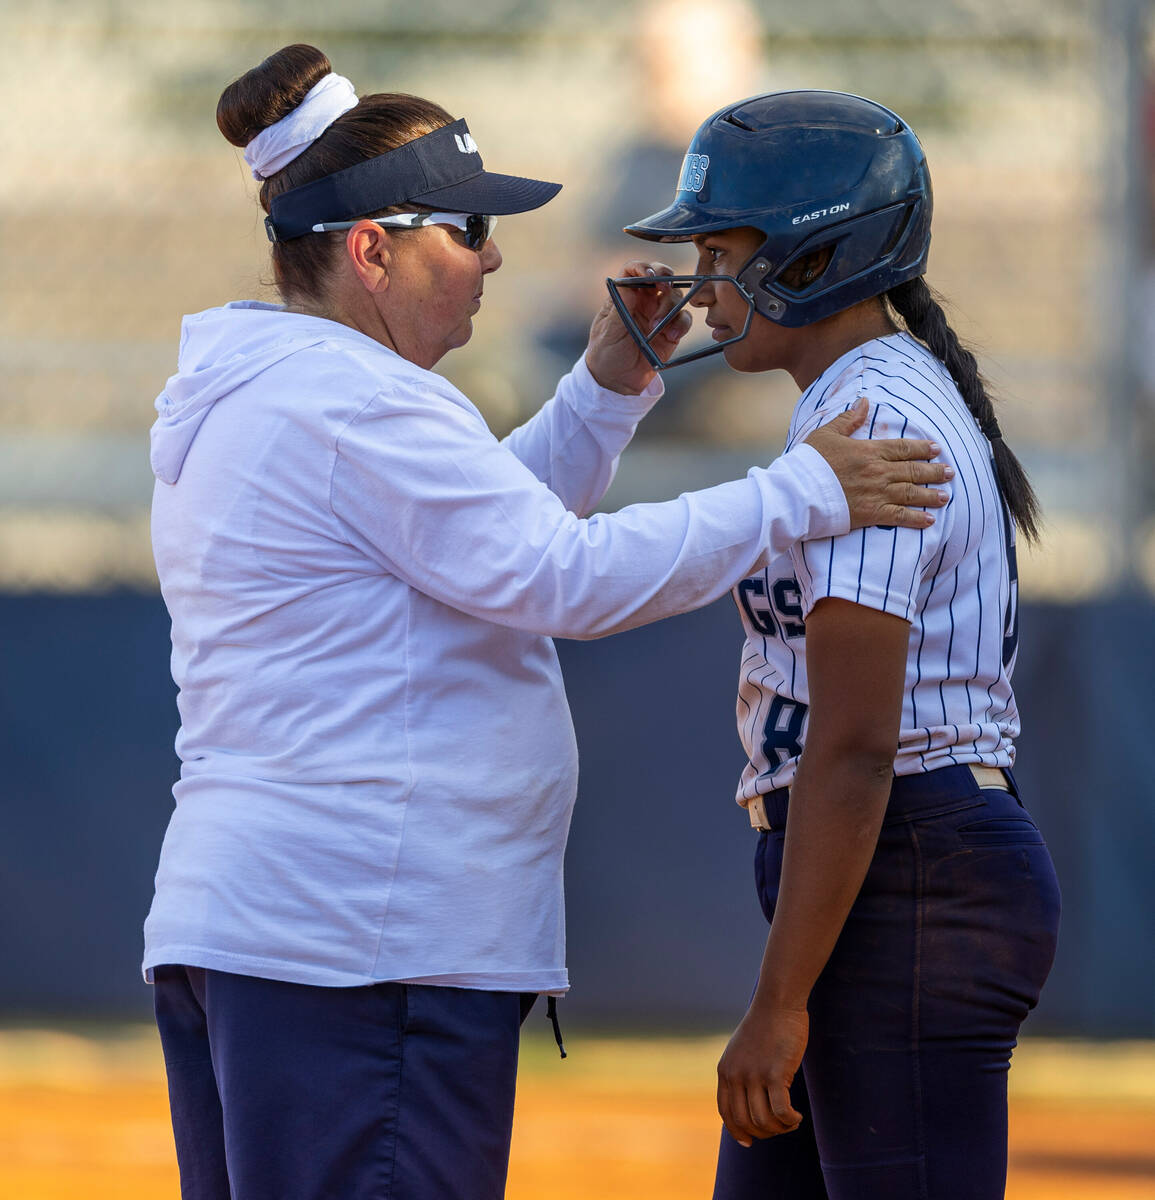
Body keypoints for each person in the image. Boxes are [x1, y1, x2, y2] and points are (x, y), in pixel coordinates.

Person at [143, 48, 952, 1200]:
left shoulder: (286, 385)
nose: (494, 254)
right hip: (364, 952)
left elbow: (473, 540)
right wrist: (799, 493)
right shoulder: (355, 402)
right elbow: (556, 576)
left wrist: (607, 388)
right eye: (467, 230)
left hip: (279, 933)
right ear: (372, 247)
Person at [617, 90, 1061, 1200]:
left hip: (911, 866)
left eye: (724, 249)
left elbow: (859, 743)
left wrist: (779, 1004)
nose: (705, 281)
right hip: (889, 865)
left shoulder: (876, 417)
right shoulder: (859, 393)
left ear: (817, 254)